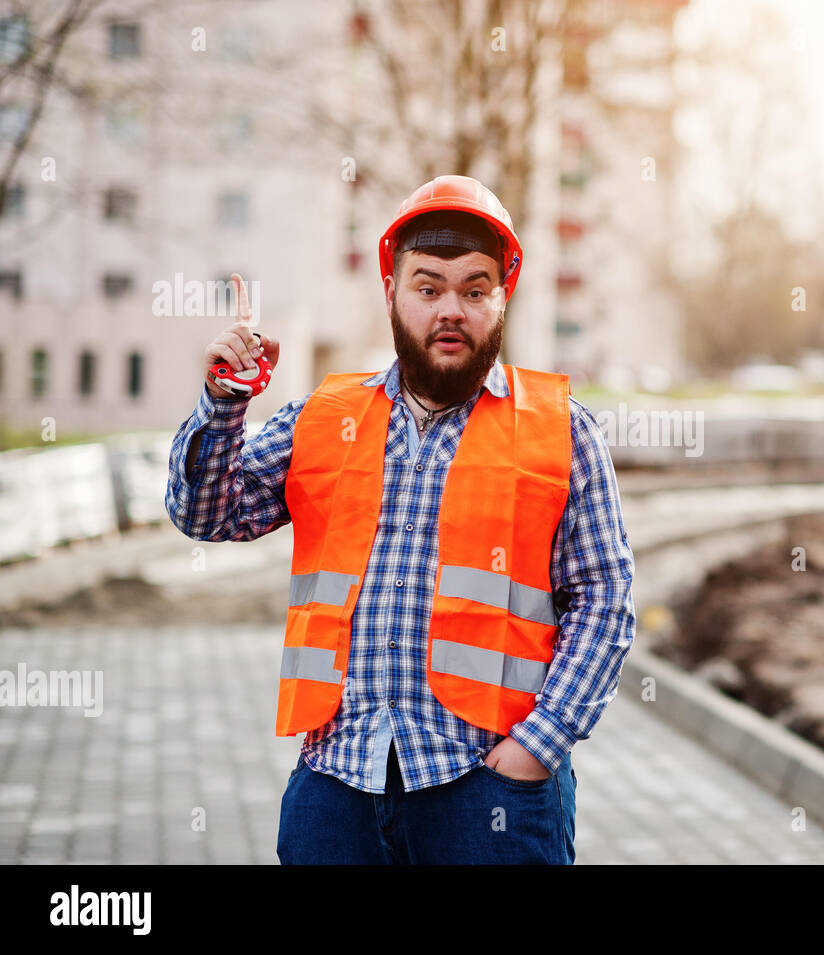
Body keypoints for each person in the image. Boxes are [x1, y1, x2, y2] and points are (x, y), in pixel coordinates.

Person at [164, 175, 636, 864]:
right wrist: (224, 402)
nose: (452, 308)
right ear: (391, 291)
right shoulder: (325, 420)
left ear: (503, 297)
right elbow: (206, 514)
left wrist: (540, 745)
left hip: (488, 792)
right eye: (428, 287)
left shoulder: (561, 433)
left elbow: (606, 599)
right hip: (338, 788)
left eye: (475, 289)